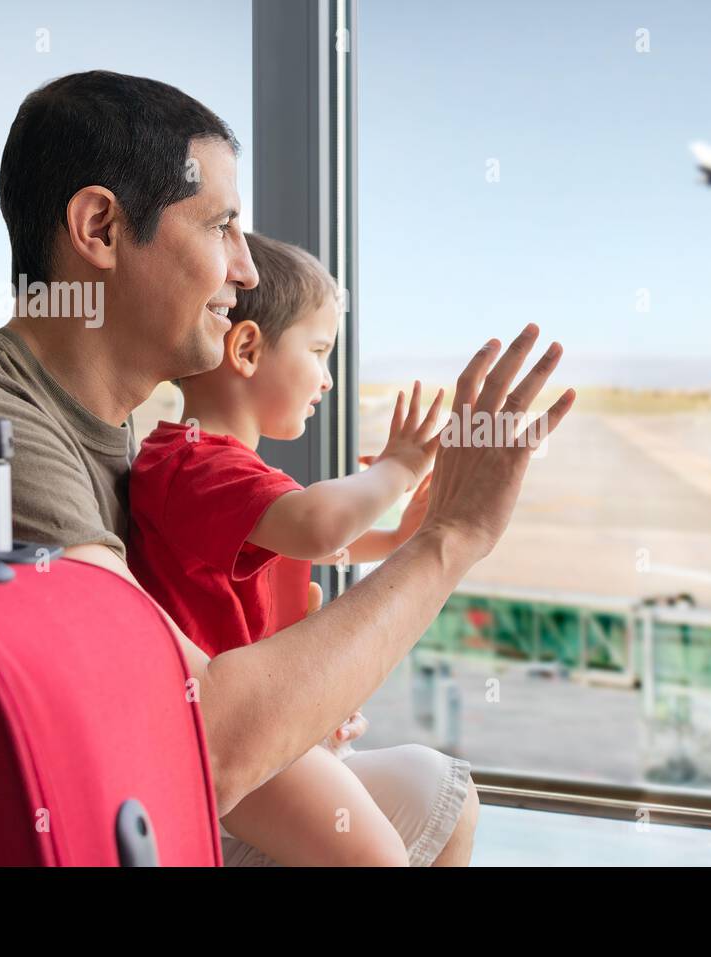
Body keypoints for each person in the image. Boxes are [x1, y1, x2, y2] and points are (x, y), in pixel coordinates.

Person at [0, 71, 574, 864]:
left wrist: (308, 688)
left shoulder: (120, 440)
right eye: (221, 227)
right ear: (101, 228)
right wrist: (451, 536)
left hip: (115, 806)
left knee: (440, 792)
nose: (246, 271)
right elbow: (201, 738)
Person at [129, 232, 465, 866]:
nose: (328, 378)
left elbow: (297, 538)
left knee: (452, 804)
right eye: (318, 351)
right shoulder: (193, 466)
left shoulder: (215, 470)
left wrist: (399, 536)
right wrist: (396, 468)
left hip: (265, 723)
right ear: (248, 348)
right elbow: (315, 525)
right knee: (374, 857)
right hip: (223, 739)